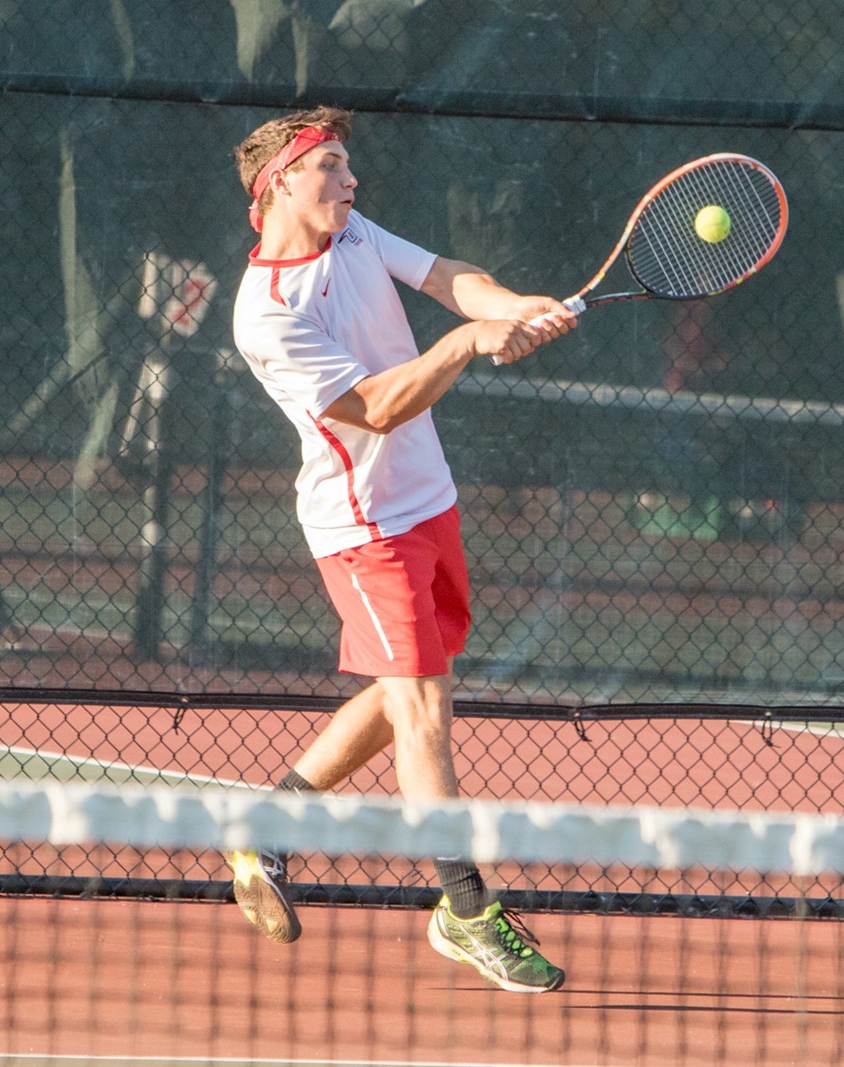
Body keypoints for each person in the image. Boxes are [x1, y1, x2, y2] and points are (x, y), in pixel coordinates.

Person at [228, 106, 575, 993]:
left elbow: (447, 276)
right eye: (332, 168)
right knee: (424, 708)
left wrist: (508, 308)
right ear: (281, 187)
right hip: (366, 526)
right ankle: (465, 908)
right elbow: (376, 405)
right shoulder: (264, 315)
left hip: (431, 501)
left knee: (405, 690)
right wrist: (468, 341)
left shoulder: (354, 238)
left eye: (348, 167)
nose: (351, 182)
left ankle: (265, 825)